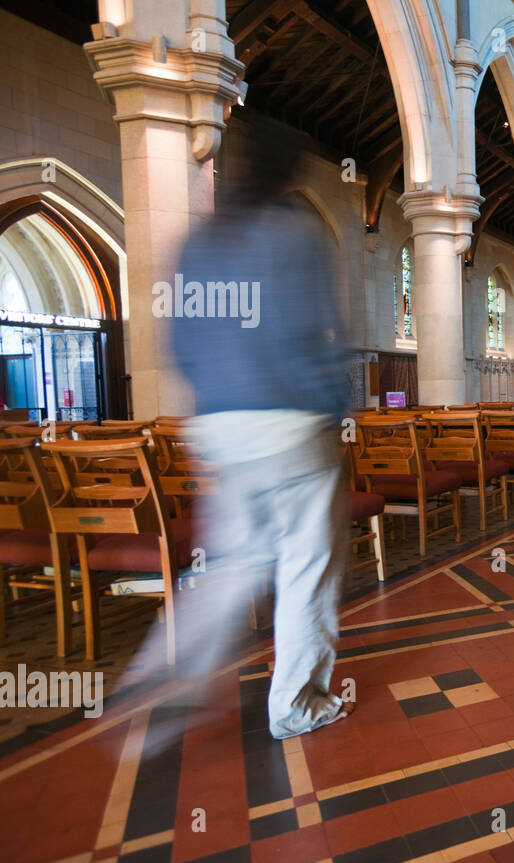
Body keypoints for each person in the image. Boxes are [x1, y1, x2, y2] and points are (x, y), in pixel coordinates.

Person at [138, 118, 353, 742]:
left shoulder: (199, 241)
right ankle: (295, 705)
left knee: (231, 566)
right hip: (291, 425)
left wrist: (214, 409)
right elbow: (317, 336)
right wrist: (333, 411)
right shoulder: (296, 233)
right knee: (306, 567)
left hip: (220, 427)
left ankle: (159, 678)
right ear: (287, 171)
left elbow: (177, 342)